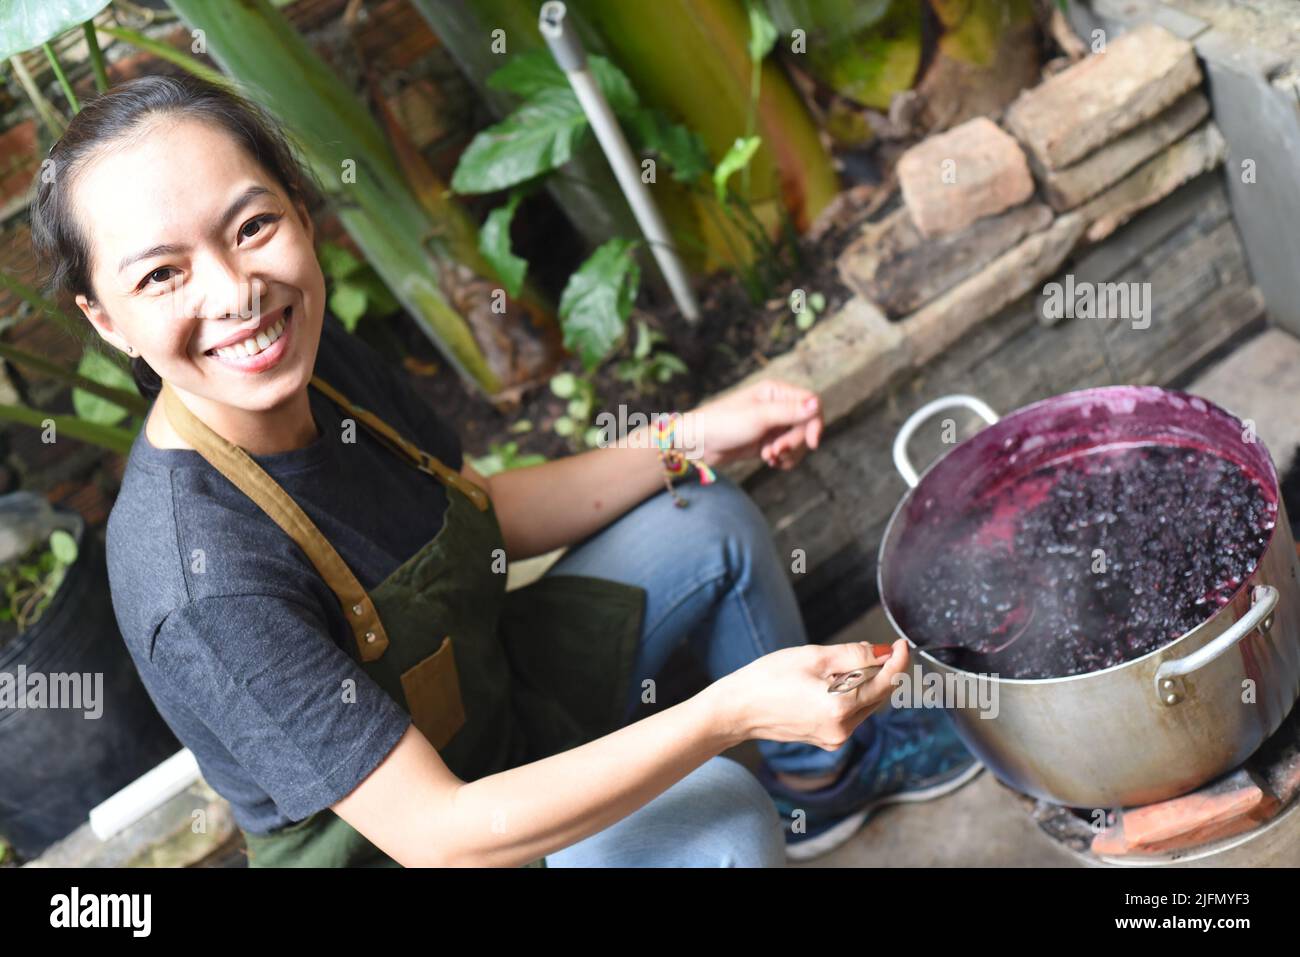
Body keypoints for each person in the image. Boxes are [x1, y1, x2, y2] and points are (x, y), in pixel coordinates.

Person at [29, 73, 979, 867]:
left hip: (502, 712)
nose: (236, 293)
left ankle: (823, 786)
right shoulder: (199, 580)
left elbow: (484, 516)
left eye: (249, 227)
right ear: (105, 319)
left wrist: (690, 435)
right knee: (720, 816)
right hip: (434, 841)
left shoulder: (310, 352)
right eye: (162, 274)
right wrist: (727, 714)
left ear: (300, 210)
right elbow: (437, 831)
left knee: (706, 521)